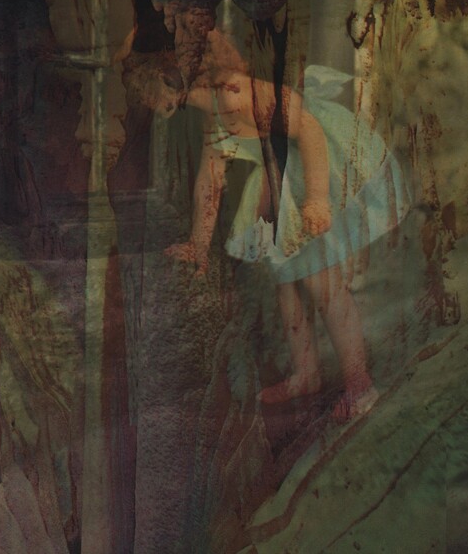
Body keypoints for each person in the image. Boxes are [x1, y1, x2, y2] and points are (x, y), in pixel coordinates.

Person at [123, 31, 411, 420]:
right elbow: (210, 182)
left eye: (148, 94)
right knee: (286, 281)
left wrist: (317, 199)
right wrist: (198, 244)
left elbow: (308, 129)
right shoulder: (213, 115)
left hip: (315, 168)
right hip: (282, 180)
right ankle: (307, 373)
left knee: (322, 283)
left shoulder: (236, 94)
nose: (148, 105)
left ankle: (360, 385)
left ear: (169, 80)